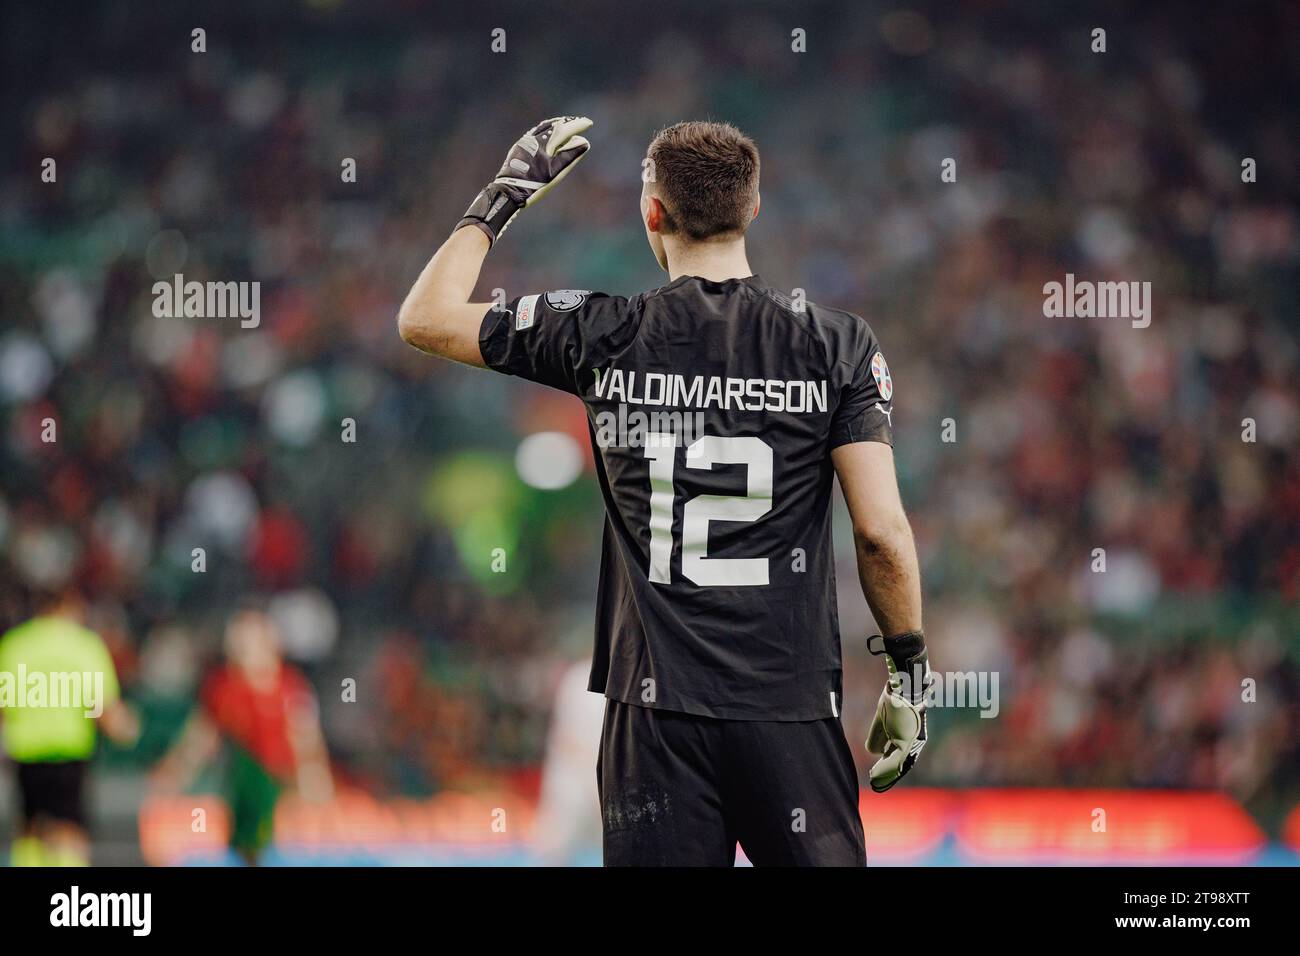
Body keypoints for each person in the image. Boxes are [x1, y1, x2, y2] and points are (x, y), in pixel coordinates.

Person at [398, 117, 931, 866]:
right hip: (789, 709)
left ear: (652, 212)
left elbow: (421, 318)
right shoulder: (835, 344)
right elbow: (882, 533)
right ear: (753, 208)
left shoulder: (600, 333)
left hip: (653, 718)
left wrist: (505, 195)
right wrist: (909, 671)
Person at [151, 605, 332, 865]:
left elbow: (305, 737)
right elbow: (201, 737)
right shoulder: (224, 688)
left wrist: (313, 775)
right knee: (247, 847)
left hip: (278, 783)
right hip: (242, 781)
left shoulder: (289, 687)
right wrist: (176, 771)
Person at [0, 588, 139, 866]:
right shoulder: (83, 645)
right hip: (69, 752)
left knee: (31, 828)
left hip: (27, 753)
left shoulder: (14, 646)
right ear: (68, 606)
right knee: (69, 831)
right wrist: (126, 728)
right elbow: (100, 705)